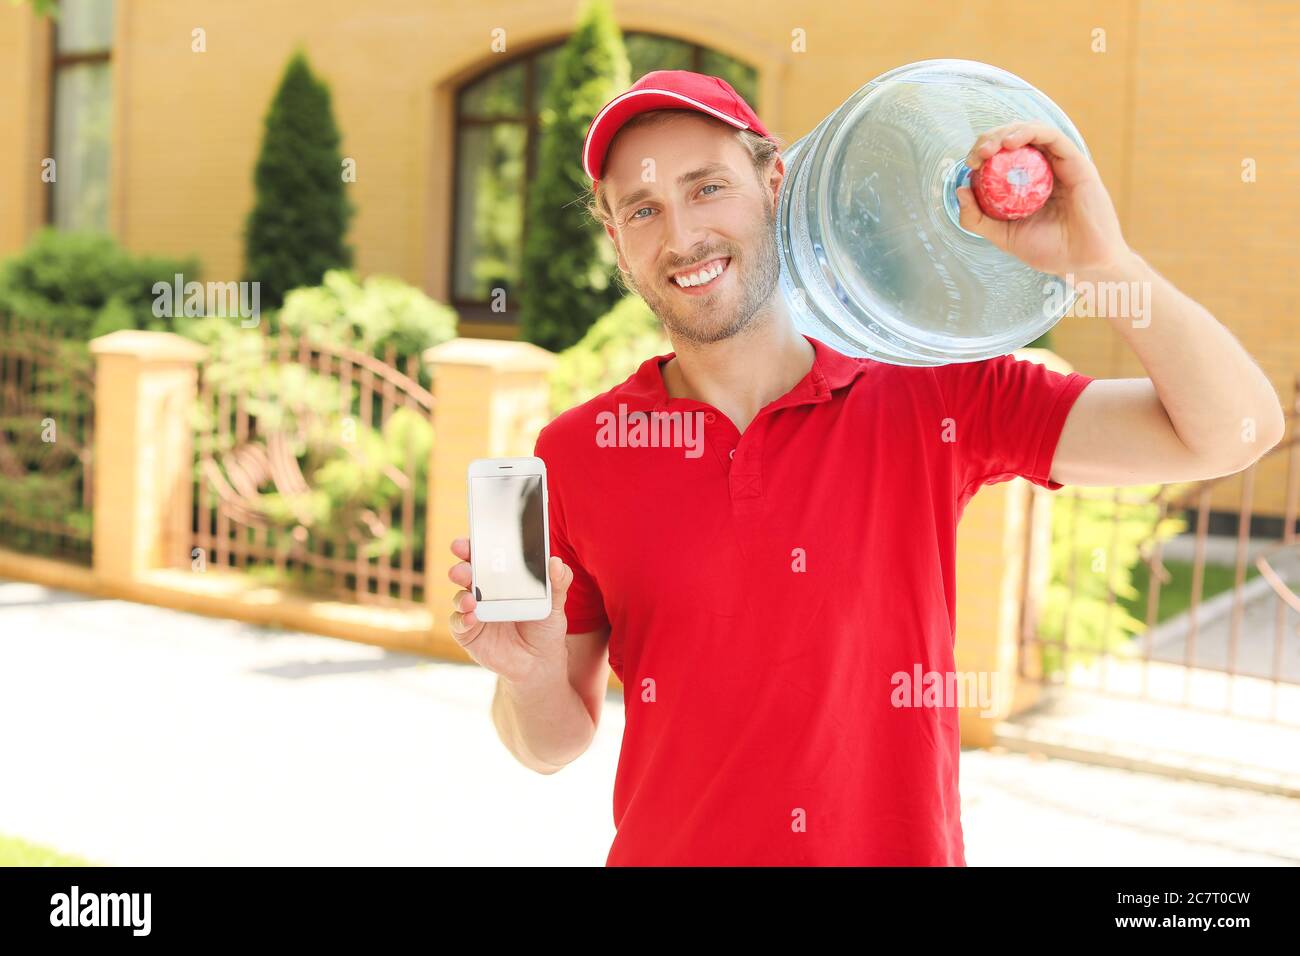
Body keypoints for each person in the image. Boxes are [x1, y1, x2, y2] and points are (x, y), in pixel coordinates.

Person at [445, 70, 1285, 866]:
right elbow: (552, 745)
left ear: (775, 185)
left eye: (708, 187)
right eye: (642, 210)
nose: (683, 234)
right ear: (617, 246)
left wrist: (1101, 263)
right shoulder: (579, 453)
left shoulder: (933, 392)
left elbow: (1233, 430)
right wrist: (526, 676)